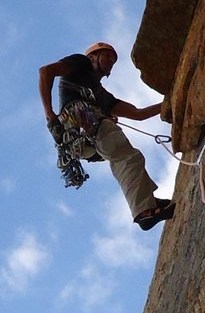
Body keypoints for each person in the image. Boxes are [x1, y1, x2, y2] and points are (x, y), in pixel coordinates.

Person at [39, 42, 175, 230]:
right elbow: (46, 71)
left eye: (113, 61)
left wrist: (169, 103)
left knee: (127, 156)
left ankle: (148, 202)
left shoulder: (101, 96)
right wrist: (49, 114)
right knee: (127, 157)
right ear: (93, 56)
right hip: (82, 123)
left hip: (82, 141)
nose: (111, 62)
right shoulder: (81, 63)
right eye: (107, 56)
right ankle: (144, 211)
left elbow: (138, 113)